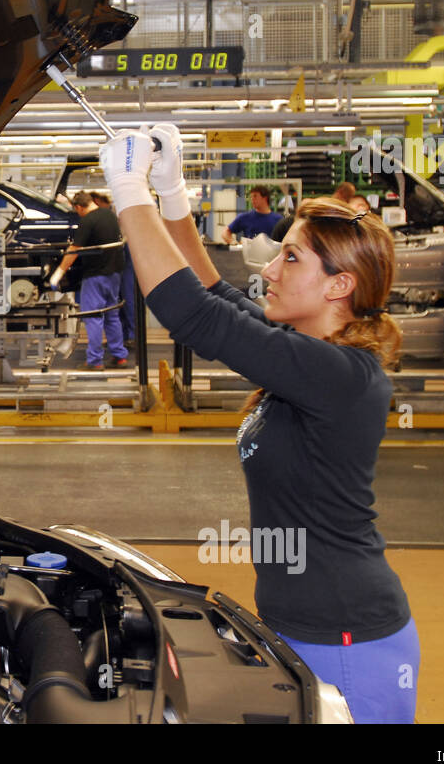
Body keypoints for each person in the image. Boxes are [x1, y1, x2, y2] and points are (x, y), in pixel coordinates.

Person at [98, 124, 418, 723]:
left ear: (340, 285)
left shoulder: (338, 373)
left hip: (346, 640)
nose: (270, 269)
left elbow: (195, 316)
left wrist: (127, 190)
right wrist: (170, 198)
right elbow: (214, 292)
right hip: (301, 628)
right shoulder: (306, 352)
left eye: (290, 257)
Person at [50, 190, 129, 370]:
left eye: (76, 210)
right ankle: (119, 356)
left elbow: (74, 249)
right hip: (115, 273)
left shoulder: (87, 220)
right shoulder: (109, 214)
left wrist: (59, 273)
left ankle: (94, 361)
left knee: (93, 317)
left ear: (79, 207)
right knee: (111, 314)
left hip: (96, 275)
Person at [91, 191, 137, 346]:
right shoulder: (109, 212)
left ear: (97, 201)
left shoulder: (117, 210)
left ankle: (133, 335)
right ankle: (122, 337)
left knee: (128, 295)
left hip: (127, 250)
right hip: (118, 252)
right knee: (117, 297)